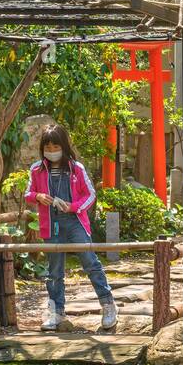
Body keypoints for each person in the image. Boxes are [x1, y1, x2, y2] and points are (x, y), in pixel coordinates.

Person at [24, 123, 117, 332]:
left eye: (55, 147)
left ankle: (108, 305)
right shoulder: (36, 169)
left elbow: (90, 194)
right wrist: (38, 196)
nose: (52, 152)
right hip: (51, 224)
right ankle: (56, 313)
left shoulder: (77, 168)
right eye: (48, 148)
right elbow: (28, 193)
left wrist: (73, 207)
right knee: (54, 271)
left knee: (90, 262)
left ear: (64, 147)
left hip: (75, 222)